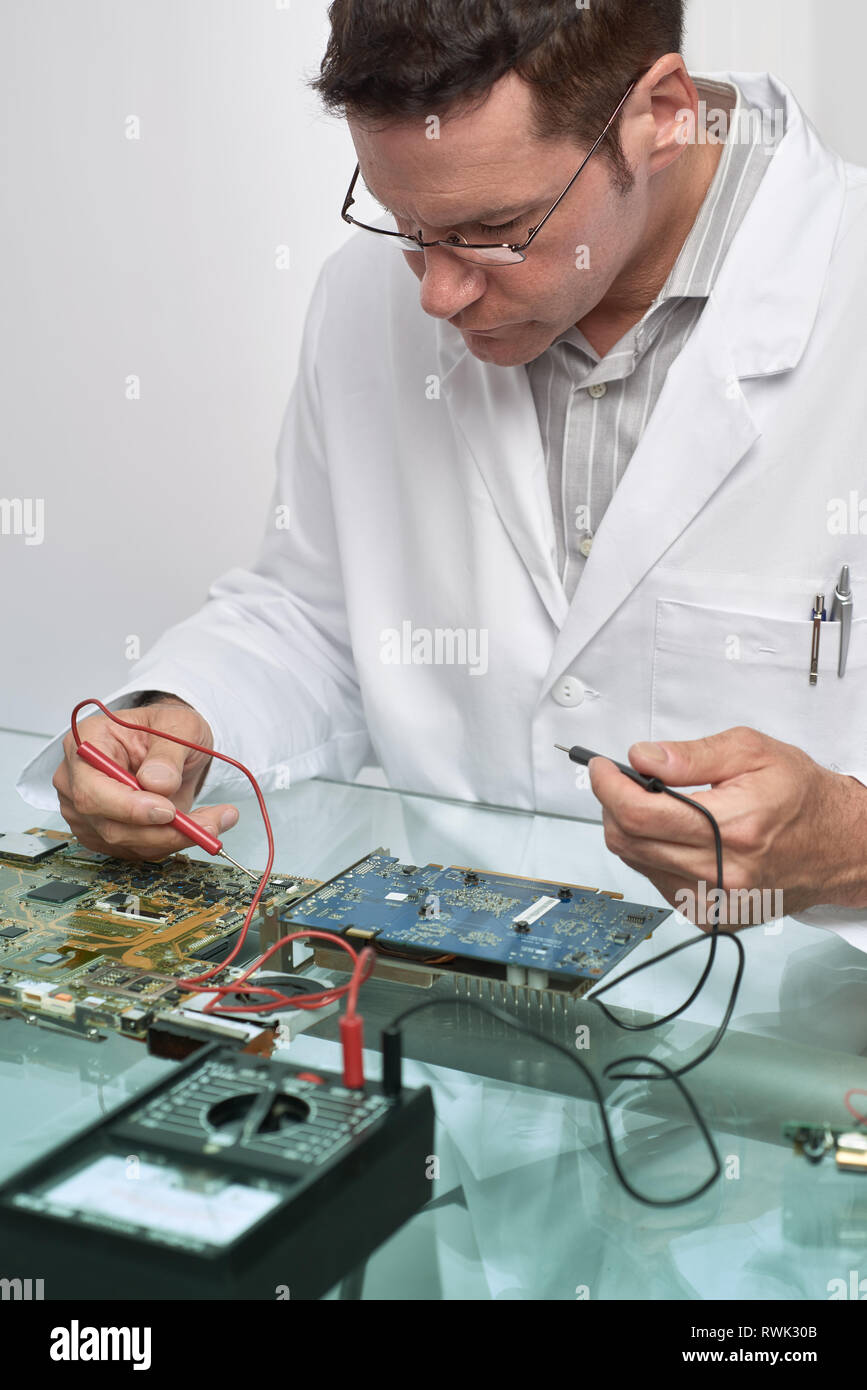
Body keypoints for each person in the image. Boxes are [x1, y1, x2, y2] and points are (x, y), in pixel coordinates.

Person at [19, 0, 867, 939]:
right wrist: (183, 716)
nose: (436, 292)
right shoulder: (364, 291)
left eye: (494, 227)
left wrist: (848, 841)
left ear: (661, 115)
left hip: (785, 1015)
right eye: (402, 222)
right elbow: (319, 621)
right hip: (437, 989)